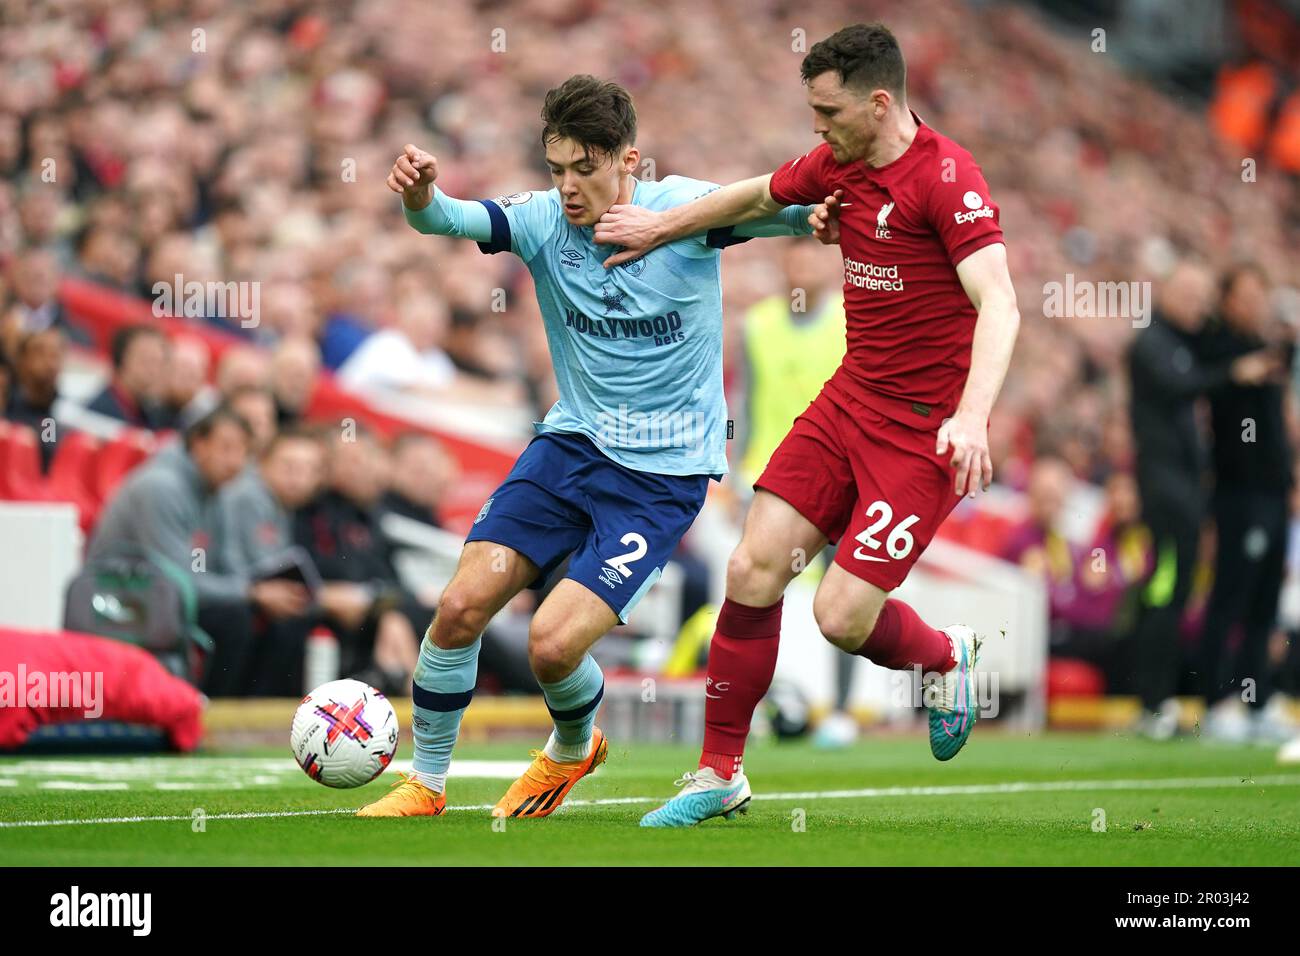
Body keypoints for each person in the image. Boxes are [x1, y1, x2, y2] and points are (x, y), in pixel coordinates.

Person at [357, 73, 818, 820]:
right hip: (570, 446)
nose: (569, 188)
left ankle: (573, 748)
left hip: (662, 476)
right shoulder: (542, 220)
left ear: (629, 161)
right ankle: (426, 783)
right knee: (460, 604)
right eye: (557, 169)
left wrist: (824, 217)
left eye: (586, 168)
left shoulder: (687, 212)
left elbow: (784, 210)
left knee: (550, 646)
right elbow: (445, 219)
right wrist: (418, 196)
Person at [595, 22, 1020, 826]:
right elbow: (757, 194)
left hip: (921, 434)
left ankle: (942, 656)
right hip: (848, 403)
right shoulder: (842, 164)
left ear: (880, 102)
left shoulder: (948, 179)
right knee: (754, 570)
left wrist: (972, 418)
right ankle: (719, 771)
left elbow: (997, 300)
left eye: (828, 112)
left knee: (839, 618)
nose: (816, 129)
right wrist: (656, 228)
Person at [1125, 259, 1278, 738]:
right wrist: (1234, 372)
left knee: (1175, 591)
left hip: (1186, 490)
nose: (1197, 307)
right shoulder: (1151, 344)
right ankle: (1153, 704)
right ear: (1168, 293)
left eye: (1201, 298)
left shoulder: (1180, 345)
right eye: (1189, 295)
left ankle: (1161, 704)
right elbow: (1179, 386)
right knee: (1165, 592)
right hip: (1165, 489)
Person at [87, 405, 311, 696]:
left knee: (278, 614)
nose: (236, 462)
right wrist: (251, 592)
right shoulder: (160, 487)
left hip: (166, 594)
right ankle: (204, 709)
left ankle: (246, 709)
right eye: (227, 448)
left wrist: (265, 590)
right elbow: (176, 580)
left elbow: (225, 565)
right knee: (235, 618)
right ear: (198, 444)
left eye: (244, 452)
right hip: (121, 596)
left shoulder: (216, 492)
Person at [1197, 262, 1294, 742]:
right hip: (1238, 494)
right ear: (1228, 299)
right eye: (1247, 293)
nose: (1255, 302)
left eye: (1261, 292)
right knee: (1230, 596)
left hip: (1274, 494)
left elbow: (1278, 428)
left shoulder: (1268, 350)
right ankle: (1217, 700)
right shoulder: (1218, 347)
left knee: (1265, 602)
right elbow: (1198, 378)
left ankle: (1259, 699)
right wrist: (1237, 372)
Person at [86, 324, 169, 429]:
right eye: (147, 360)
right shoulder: (97, 414)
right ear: (123, 358)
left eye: (160, 362)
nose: (154, 370)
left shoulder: (150, 416)